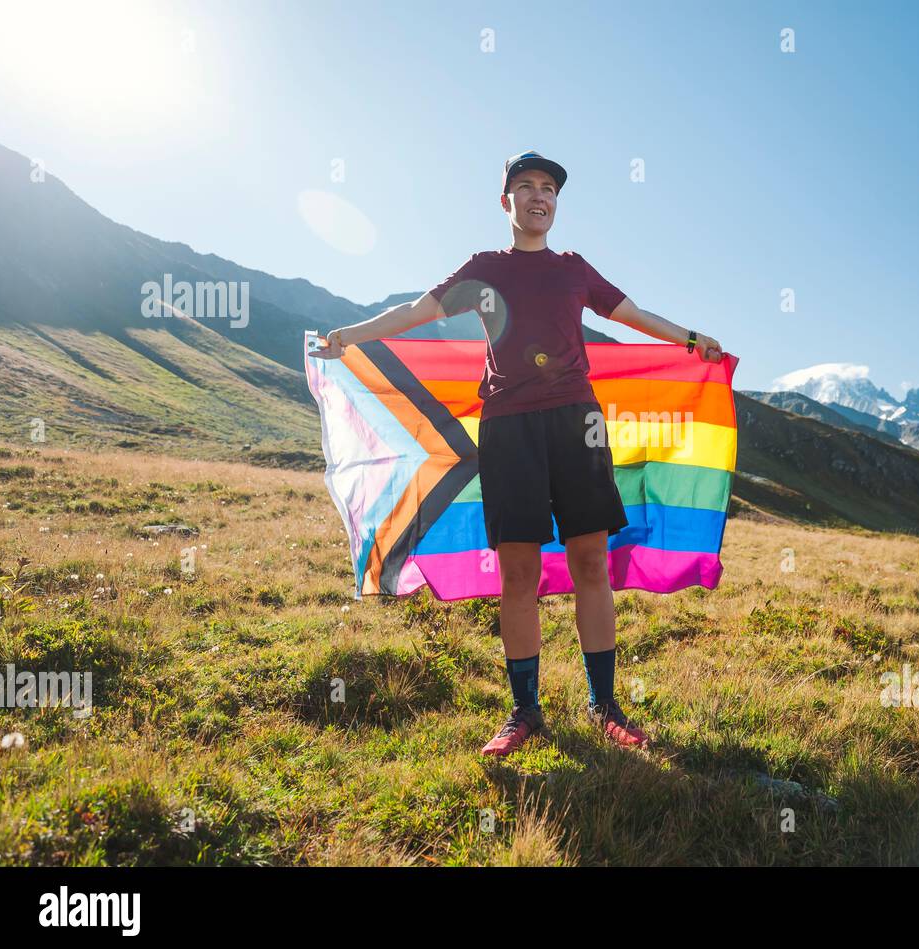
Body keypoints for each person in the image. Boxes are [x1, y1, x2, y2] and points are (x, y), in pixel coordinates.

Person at [308, 150, 724, 756]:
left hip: (575, 423)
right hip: (507, 428)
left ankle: (604, 705)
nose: (539, 196)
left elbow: (633, 316)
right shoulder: (485, 268)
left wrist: (690, 338)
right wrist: (351, 335)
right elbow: (417, 312)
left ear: (556, 203)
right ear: (506, 202)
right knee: (519, 574)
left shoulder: (575, 269)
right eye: (526, 187)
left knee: (589, 562)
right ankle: (525, 711)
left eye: (549, 189)